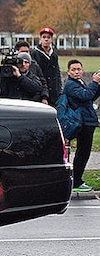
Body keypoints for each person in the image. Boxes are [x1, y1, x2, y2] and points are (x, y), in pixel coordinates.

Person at [61, 59, 100, 192]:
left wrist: (98, 85)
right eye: (74, 70)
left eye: (79, 69)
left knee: (84, 152)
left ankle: (77, 180)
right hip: (83, 122)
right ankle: (76, 181)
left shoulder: (79, 82)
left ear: (82, 71)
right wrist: (94, 82)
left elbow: (90, 97)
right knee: (82, 153)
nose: (77, 72)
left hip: (87, 120)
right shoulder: (70, 85)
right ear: (68, 72)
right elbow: (85, 95)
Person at [31, 27, 62, 103]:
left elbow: (57, 74)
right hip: (42, 92)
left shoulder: (54, 55)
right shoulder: (35, 54)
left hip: (54, 93)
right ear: (40, 39)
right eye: (44, 37)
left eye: (48, 37)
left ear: (51, 39)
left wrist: (59, 89)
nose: (46, 39)